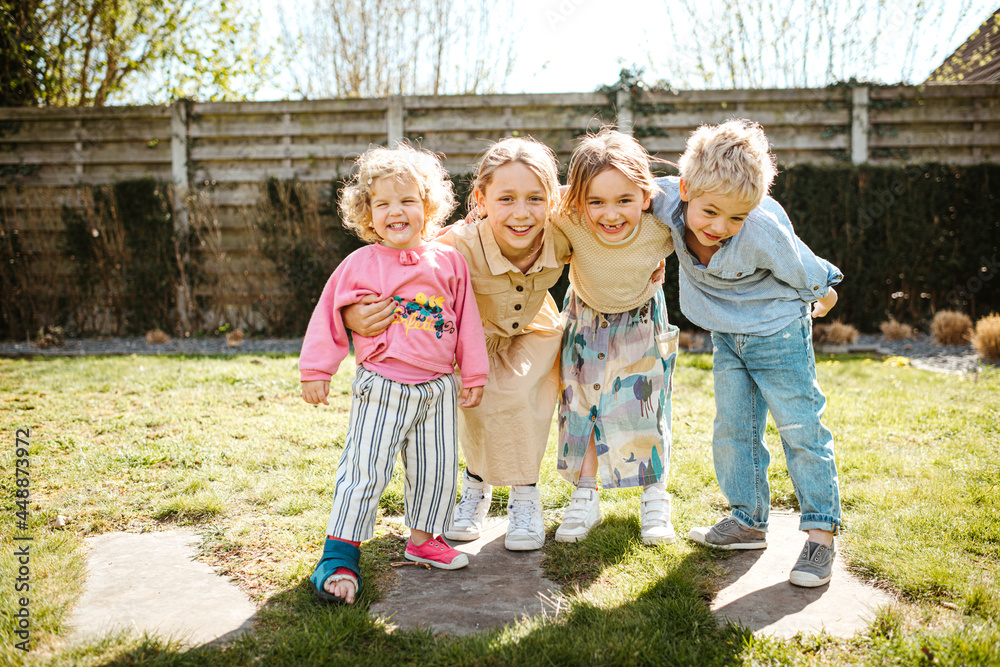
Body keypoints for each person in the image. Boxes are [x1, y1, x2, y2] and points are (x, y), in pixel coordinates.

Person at [345, 137, 570, 552]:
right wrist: (353, 314)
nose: (521, 213)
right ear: (481, 199)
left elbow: (616, 205)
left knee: (524, 396)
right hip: (472, 332)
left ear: (553, 199)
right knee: (476, 403)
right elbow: (395, 269)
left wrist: (646, 261)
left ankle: (525, 496)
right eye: (506, 198)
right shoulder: (453, 246)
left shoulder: (562, 229)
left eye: (535, 198)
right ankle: (476, 488)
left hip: (533, 327)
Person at [650, 119, 843, 587]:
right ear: (686, 189)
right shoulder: (663, 197)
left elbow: (811, 273)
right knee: (733, 428)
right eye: (711, 212)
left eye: (735, 217)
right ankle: (748, 522)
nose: (720, 228)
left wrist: (823, 298)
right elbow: (615, 187)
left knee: (801, 430)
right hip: (727, 337)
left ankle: (821, 535)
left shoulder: (762, 229)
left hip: (779, 333)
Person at [300, 144, 488, 604]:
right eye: (382, 203)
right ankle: (340, 555)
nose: (395, 211)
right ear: (367, 213)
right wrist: (316, 369)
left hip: (438, 388)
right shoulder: (359, 264)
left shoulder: (449, 262)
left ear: (428, 207)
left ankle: (426, 539)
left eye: (406, 200)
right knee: (364, 469)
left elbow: (467, 321)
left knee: (437, 469)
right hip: (381, 385)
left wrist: (474, 375)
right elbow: (328, 315)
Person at [550, 128, 679, 546]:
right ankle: (586, 493)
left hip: (642, 318)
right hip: (585, 318)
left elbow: (708, 204)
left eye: (624, 200)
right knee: (580, 403)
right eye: (597, 202)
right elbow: (526, 200)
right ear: (578, 200)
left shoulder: (662, 223)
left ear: (645, 195)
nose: (611, 214)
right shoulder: (566, 217)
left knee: (646, 404)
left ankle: (654, 494)